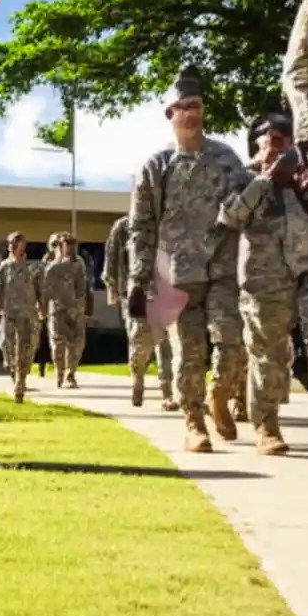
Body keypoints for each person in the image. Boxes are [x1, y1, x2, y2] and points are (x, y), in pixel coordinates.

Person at [217, 112, 308, 465]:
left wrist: (303, 175)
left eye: (285, 137)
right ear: (257, 144)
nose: (278, 142)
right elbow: (229, 217)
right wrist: (265, 180)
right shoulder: (241, 176)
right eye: (270, 138)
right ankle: (267, 426)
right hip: (264, 275)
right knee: (267, 351)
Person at [127, 66, 247, 452]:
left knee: (231, 343)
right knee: (189, 352)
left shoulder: (226, 159)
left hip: (223, 270)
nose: (191, 114)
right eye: (183, 107)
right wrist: (138, 276)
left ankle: (219, 395)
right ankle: (194, 421)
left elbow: (249, 207)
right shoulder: (155, 167)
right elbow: (141, 226)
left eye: (196, 106)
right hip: (176, 275)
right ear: (170, 114)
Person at [104, 214, 178, 410]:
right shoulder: (123, 226)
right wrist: (114, 290)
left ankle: (168, 392)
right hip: (137, 294)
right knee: (139, 344)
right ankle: (137, 381)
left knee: (167, 344)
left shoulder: (168, 222)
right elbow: (112, 259)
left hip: (165, 293)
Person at [0, 231, 44, 403]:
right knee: (7, 347)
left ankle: (20, 383)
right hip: (9, 315)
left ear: (23, 245)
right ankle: (15, 377)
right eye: (10, 243)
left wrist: (41, 308)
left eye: (16, 243)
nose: (12, 246)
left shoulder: (32, 268)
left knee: (26, 351)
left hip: (28, 316)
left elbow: (40, 291)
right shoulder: (4, 268)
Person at [39, 232, 87, 389]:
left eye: (72, 245)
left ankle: (70, 373)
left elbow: (83, 288)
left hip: (75, 310)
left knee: (77, 342)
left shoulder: (79, 264)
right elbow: (45, 291)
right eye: (67, 245)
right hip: (57, 310)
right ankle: (60, 372)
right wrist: (43, 309)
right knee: (58, 343)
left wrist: (82, 306)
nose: (70, 249)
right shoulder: (52, 266)